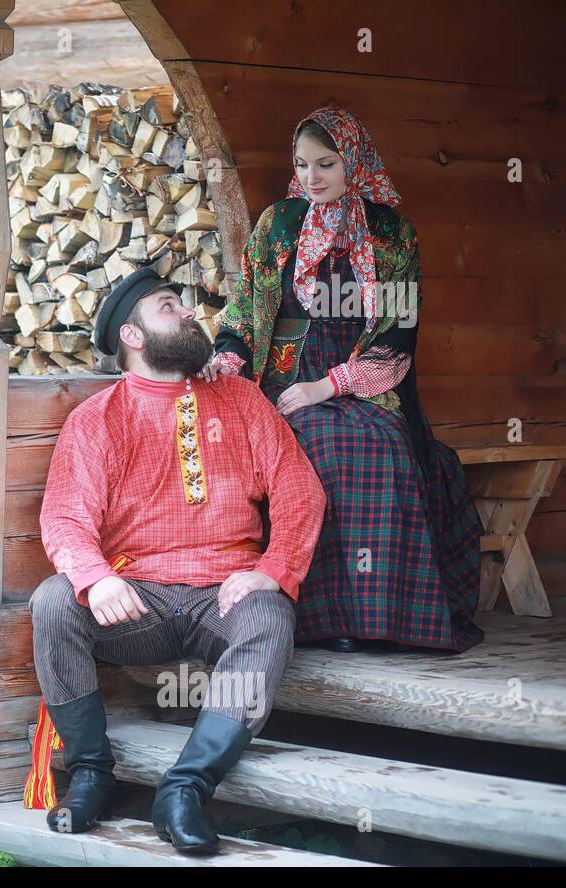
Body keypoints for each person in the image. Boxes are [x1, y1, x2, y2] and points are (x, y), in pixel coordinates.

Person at [23, 266, 326, 853]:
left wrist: (271, 569)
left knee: (270, 614)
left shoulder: (237, 398)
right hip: (140, 600)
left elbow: (298, 488)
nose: (189, 313)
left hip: (224, 594)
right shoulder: (98, 420)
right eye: (169, 306)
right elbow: (64, 518)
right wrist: (96, 579)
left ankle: (184, 789)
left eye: (182, 303)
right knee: (55, 601)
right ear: (133, 337)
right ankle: (90, 775)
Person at [203, 107, 485, 654]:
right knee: (317, 448)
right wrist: (227, 363)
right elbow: (245, 311)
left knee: (381, 448)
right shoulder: (278, 224)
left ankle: (384, 619)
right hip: (283, 380)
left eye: (325, 164)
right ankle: (323, 619)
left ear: (353, 161)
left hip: (364, 383)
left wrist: (326, 387)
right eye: (302, 165)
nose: (312, 178)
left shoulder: (392, 233)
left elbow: (398, 333)